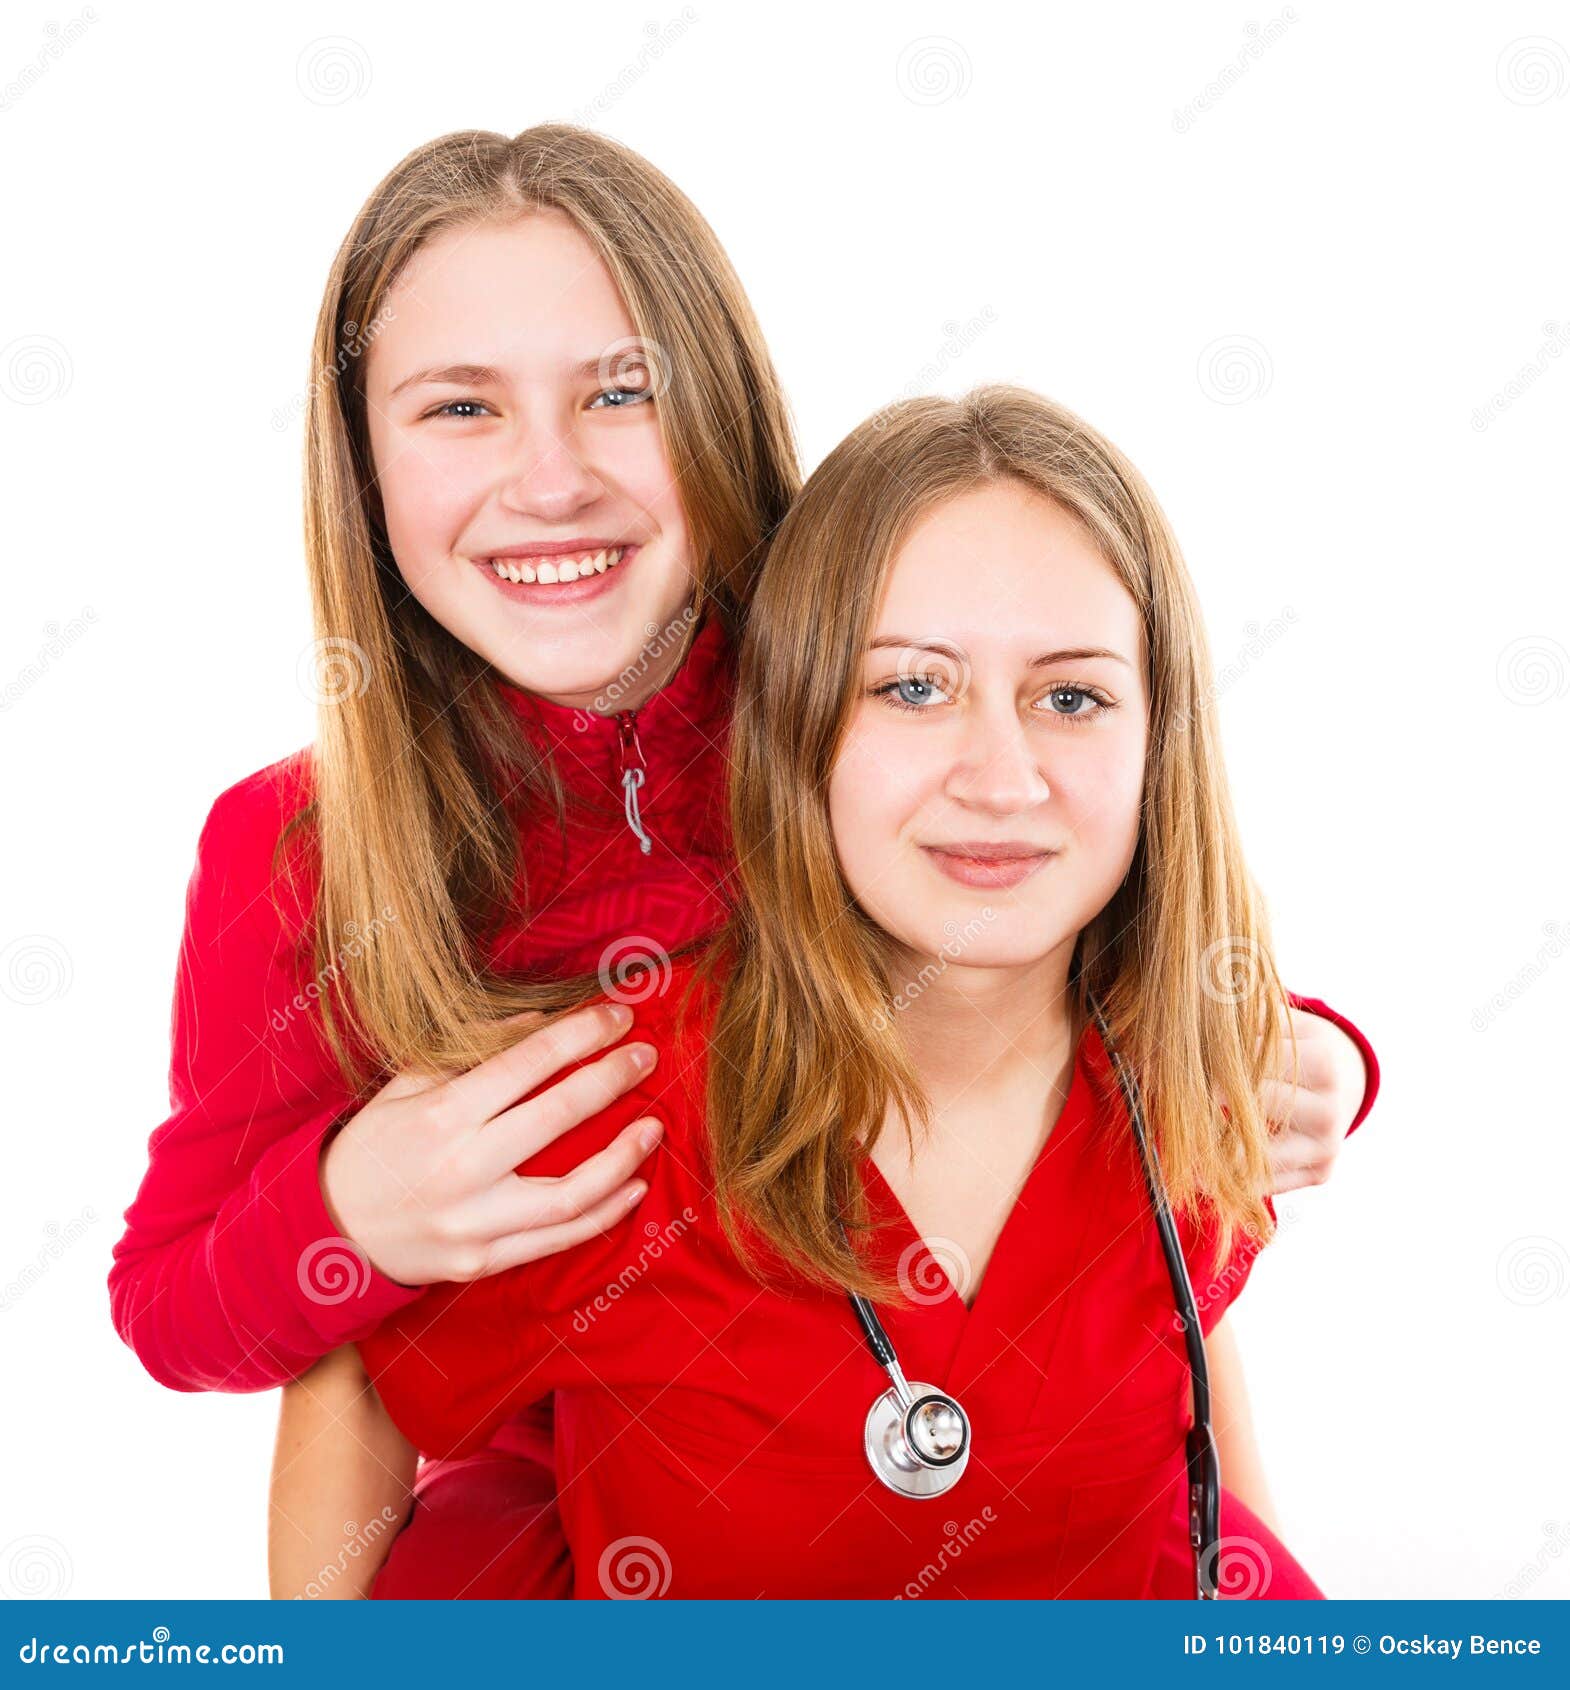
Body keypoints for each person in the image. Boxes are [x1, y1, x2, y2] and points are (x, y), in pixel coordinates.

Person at [109, 123, 1374, 1600]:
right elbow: (197, 1314)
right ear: (361, 459)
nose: (551, 479)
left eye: (621, 390)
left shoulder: (868, 690)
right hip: (601, 1489)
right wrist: (351, 1214)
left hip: (987, 1435)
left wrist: (1304, 1050)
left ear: (715, 406)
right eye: (460, 407)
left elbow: (1101, 964)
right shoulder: (300, 851)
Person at [352, 383, 1379, 1599]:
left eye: (1071, 697)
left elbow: (1193, 1389)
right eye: (911, 687)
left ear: (1159, 741)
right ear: (799, 727)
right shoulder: (617, 1108)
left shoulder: (1198, 1077)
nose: (1001, 779)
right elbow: (359, 1376)